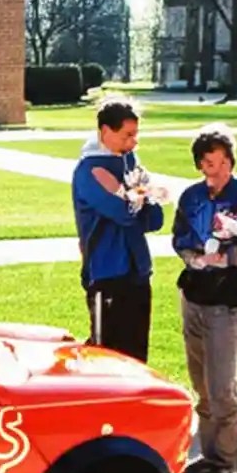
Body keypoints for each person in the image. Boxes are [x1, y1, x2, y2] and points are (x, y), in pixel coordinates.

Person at [172, 124, 237, 473]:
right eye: (209, 163)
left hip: (227, 300)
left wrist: (229, 258)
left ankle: (225, 461)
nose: (216, 170)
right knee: (200, 382)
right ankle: (209, 457)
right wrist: (193, 259)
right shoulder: (191, 197)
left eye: (223, 162)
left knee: (222, 385)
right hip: (193, 294)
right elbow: (180, 238)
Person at [72, 97, 167, 363]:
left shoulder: (128, 164)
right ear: (105, 132)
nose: (133, 142)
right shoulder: (90, 170)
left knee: (137, 358)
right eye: (127, 135)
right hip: (107, 274)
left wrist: (137, 194)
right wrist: (140, 193)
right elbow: (123, 213)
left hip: (138, 273)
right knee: (108, 359)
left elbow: (154, 219)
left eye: (136, 135)